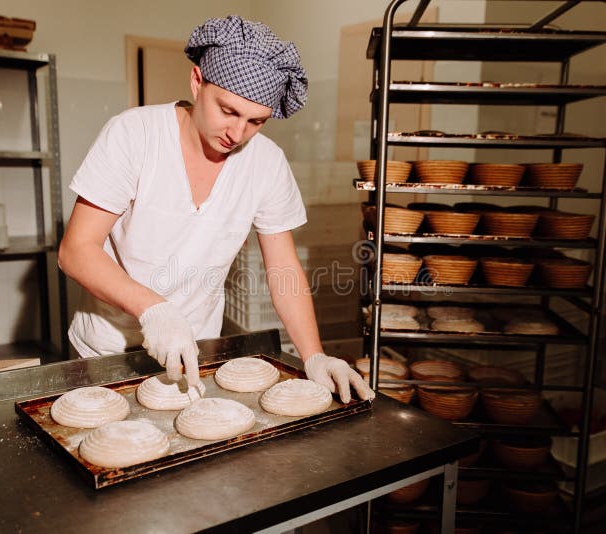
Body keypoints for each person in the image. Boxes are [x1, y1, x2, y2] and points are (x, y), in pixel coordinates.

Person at [58, 15, 374, 404]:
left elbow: (283, 268)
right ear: (197, 82)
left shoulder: (266, 163)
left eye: (256, 121)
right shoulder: (134, 135)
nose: (237, 134)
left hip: (196, 352)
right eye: (227, 110)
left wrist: (313, 354)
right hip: (105, 351)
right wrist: (154, 310)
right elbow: (76, 250)